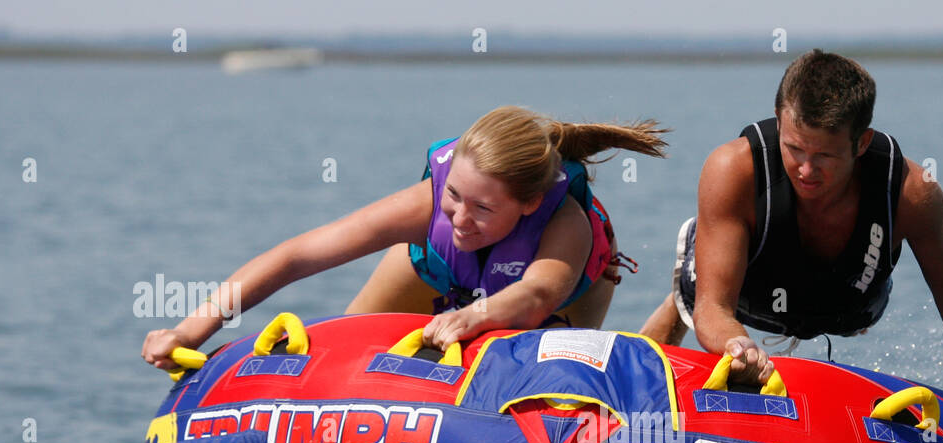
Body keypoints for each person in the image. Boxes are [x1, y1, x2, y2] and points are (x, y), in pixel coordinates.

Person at [639, 50, 943, 443]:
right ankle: (666, 323)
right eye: (793, 149)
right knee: (696, 294)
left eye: (824, 155)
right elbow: (715, 308)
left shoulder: (911, 193)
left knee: (864, 294)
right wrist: (739, 348)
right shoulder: (733, 169)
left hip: (852, 300)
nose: (806, 169)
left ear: (861, 143)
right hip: (747, 290)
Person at [142, 106, 668, 370]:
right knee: (344, 359)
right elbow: (294, 257)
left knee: (536, 384)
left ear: (528, 204)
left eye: (484, 208)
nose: (460, 218)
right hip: (437, 274)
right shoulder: (429, 206)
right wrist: (191, 330)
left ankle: (675, 303)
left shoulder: (564, 225)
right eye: (454, 195)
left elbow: (536, 297)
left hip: (564, 296)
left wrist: (473, 317)